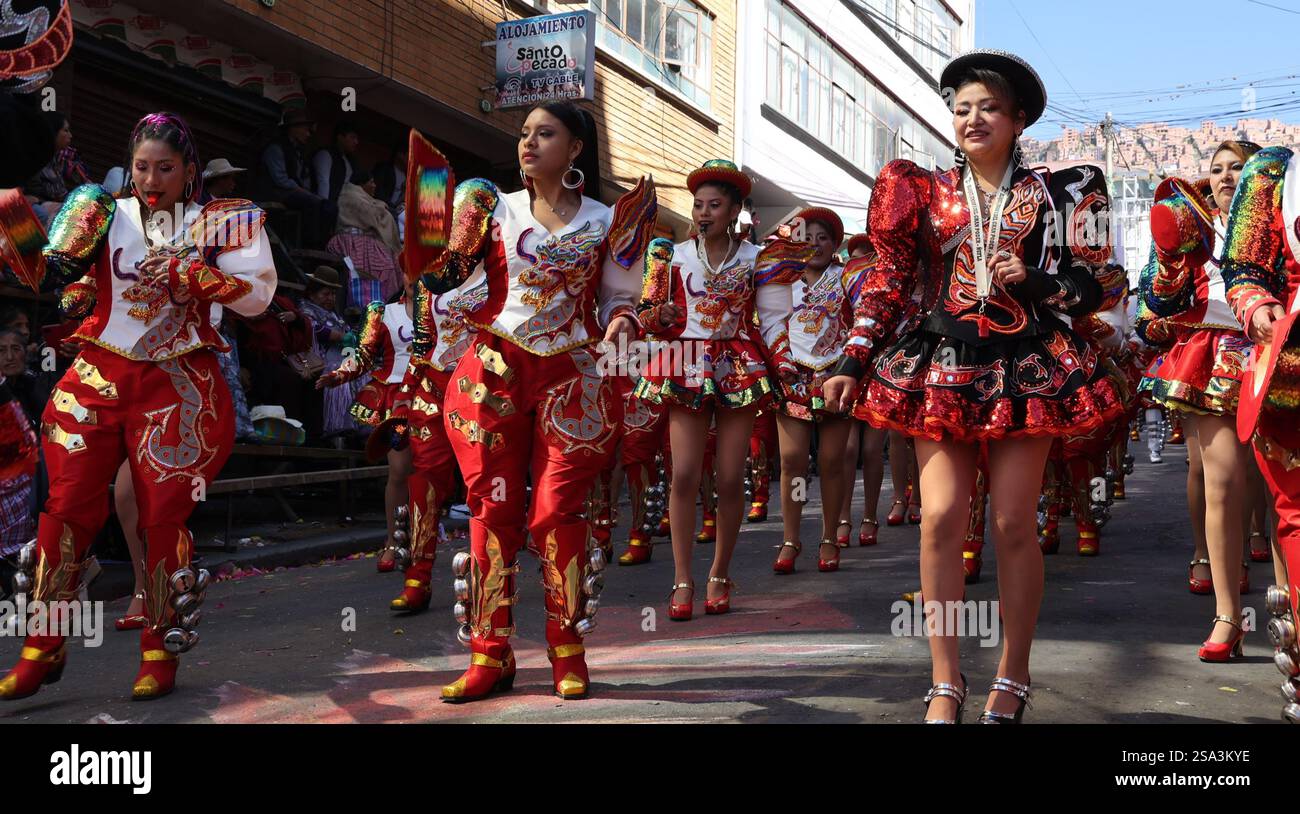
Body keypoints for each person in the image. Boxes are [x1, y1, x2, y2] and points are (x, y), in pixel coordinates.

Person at [823, 50, 1124, 723]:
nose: (973, 118)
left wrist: (1041, 282)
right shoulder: (918, 190)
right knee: (939, 518)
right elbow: (889, 280)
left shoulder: (1067, 190)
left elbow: (1103, 283)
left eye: (989, 107)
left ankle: (1013, 675)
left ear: (1019, 119)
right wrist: (852, 358)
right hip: (943, 362)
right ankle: (944, 680)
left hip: (1028, 366)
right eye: (961, 108)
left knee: (1014, 521)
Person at [0, 111, 275, 700]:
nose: (152, 180)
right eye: (142, 167)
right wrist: (13, 217)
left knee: (161, 516)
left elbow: (257, 298)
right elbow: (47, 273)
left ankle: (160, 648)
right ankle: (41, 646)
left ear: (189, 170)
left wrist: (192, 274)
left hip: (179, 382)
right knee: (65, 505)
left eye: (165, 168)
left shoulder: (223, 221)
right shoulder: (101, 211)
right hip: (99, 374)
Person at [425, 100, 656, 702]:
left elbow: (620, 297)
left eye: (545, 133)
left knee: (556, 512)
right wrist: (433, 230)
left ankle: (567, 648)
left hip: (572, 374)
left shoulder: (610, 220)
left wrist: (623, 321)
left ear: (575, 148)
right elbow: (445, 274)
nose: (528, 142)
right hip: (495, 371)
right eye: (524, 132)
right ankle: (489, 653)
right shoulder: (490, 207)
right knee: (491, 509)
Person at [636, 159, 808, 617]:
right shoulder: (668, 254)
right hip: (685, 362)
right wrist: (660, 317)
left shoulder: (758, 259)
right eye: (698, 205)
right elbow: (648, 314)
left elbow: (773, 320)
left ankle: (718, 572)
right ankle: (681, 579)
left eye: (714, 205)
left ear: (734, 212)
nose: (703, 213)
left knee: (731, 476)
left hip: (736, 364)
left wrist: (784, 364)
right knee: (685, 475)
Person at [1141, 141, 1262, 659]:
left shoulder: (1279, 225)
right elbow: (1154, 302)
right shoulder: (1193, 226)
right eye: (1217, 169)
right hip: (1213, 356)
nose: (1226, 176)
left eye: (1238, 167)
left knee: (1279, 486)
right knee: (1219, 481)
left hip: (1277, 351)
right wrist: (1171, 257)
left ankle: (1289, 608)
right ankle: (1228, 614)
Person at [1220, 143, 1300, 722]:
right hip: (1291, 361)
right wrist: (1256, 307)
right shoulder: (1274, 173)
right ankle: (1227, 609)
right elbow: (1244, 268)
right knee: (1228, 485)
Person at [770, 208, 861, 573]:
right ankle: (791, 538)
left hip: (835, 376)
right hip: (791, 375)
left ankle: (828, 536)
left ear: (835, 244)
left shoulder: (847, 277)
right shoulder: (780, 281)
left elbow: (863, 320)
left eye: (822, 238)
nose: (815, 245)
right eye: (807, 238)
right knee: (793, 462)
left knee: (831, 461)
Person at [316, 284, 414, 572]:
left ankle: (425, 538)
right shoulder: (383, 313)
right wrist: (339, 374)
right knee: (399, 469)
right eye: (409, 269)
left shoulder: (444, 308)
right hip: (397, 402)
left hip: (436, 395)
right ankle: (393, 540)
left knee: (433, 471)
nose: (415, 277)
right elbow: (363, 355)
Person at [258, 109, 336, 246]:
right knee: (312, 203)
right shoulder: (276, 148)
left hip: (290, 191)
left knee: (327, 206)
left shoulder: (297, 152)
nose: (308, 134)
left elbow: (302, 178)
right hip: (275, 192)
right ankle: (309, 243)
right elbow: (280, 180)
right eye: (305, 130)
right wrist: (302, 191)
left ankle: (322, 244)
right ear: (293, 129)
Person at [328, 168, 403, 306]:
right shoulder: (350, 195)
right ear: (361, 184)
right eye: (371, 182)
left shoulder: (366, 199)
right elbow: (370, 216)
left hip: (367, 243)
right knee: (373, 268)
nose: (374, 185)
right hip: (351, 243)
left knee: (388, 266)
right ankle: (365, 303)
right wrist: (381, 208)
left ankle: (381, 303)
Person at [298, 266, 356, 438]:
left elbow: (348, 335)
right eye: (326, 294)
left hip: (340, 357)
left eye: (333, 294)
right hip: (317, 362)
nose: (330, 298)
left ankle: (360, 430)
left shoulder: (334, 315)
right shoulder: (305, 310)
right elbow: (314, 329)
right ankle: (336, 427)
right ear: (312, 294)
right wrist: (340, 336)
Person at [24, 111, 89, 225]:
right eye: (66, 130)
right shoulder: (35, 156)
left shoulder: (56, 159)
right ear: (52, 132)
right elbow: (33, 192)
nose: (70, 135)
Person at [313, 119, 359, 203]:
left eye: (356, 138)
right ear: (340, 137)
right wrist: (324, 205)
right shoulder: (326, 154)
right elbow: (323, 182)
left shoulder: (350, 161)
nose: (356, 142)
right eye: (352, 137)